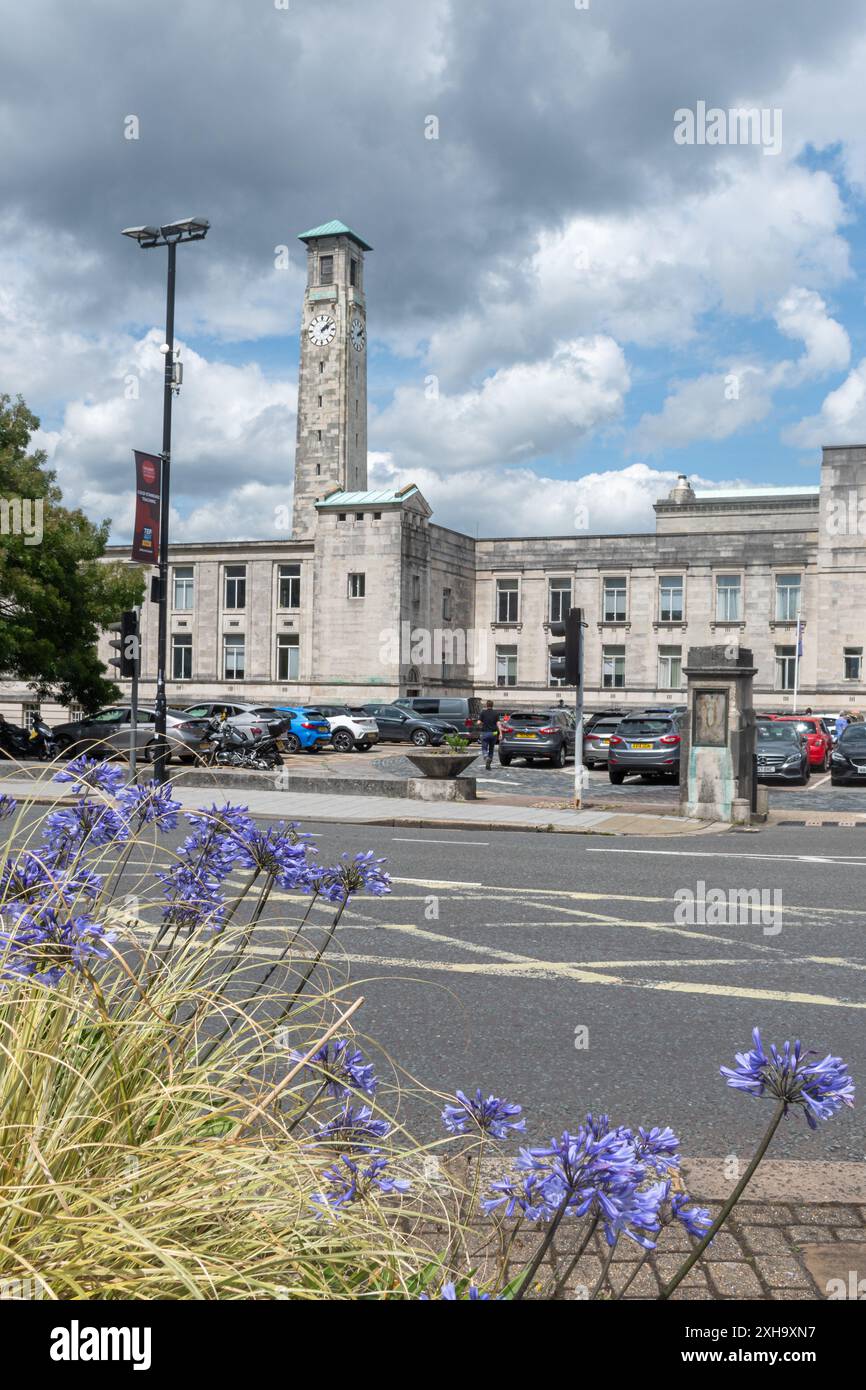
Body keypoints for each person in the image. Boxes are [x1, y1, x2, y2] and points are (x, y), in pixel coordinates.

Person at [477, 700, 500, 770]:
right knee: (491, 749)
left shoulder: (483, 712)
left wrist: (481, 724)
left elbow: (478, 722)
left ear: (486, 705)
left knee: (484, 748)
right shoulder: (496, 713)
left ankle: (486, 757)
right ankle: (488, 764)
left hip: (485, 733)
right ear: (492, 705)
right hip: (494, 733)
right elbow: (498, 724)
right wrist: (500, 733)